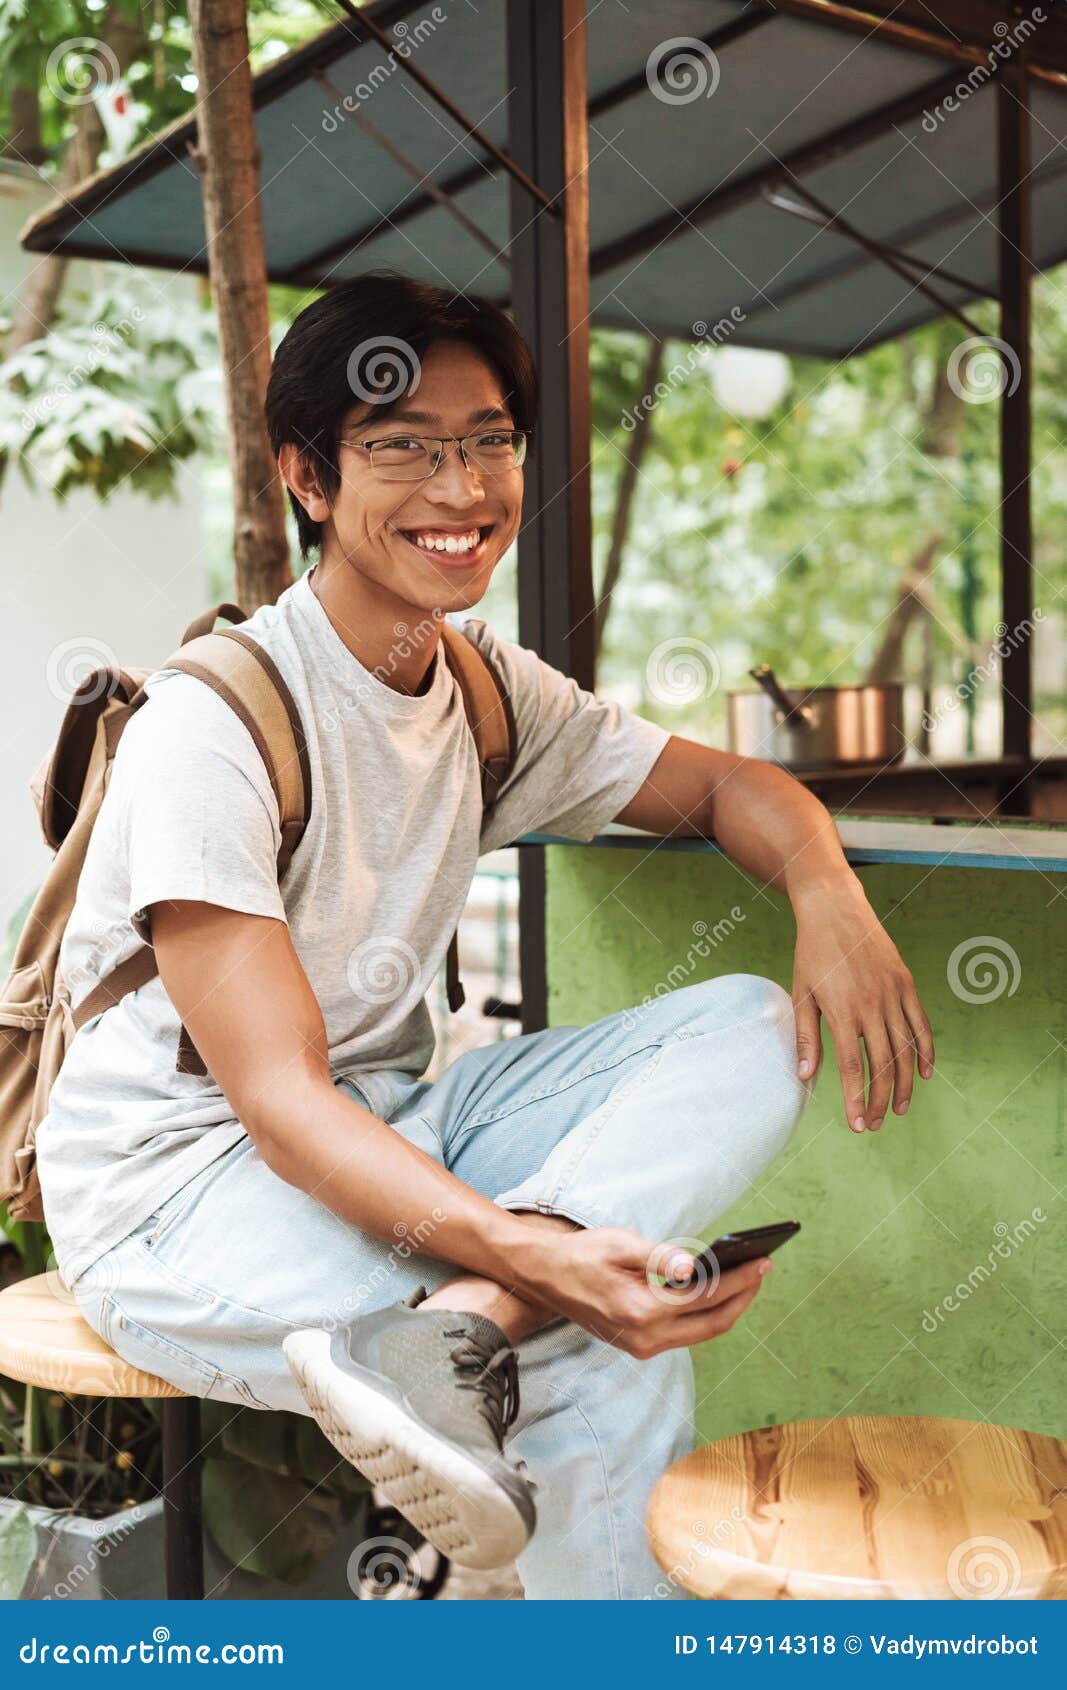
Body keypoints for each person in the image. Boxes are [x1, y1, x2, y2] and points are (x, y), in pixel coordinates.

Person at [36, 272, 934, 1600]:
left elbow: (732, 784)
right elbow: (279, 1103)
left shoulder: (480, 688)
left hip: (406, 1121)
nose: (460, 487)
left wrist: (829, 894)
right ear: (310, 478)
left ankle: (455, 1337)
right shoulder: (213, 725)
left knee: (746, 1022)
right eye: (404, 446)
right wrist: (542, 1260)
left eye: (488, 441)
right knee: (584, 1337)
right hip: (179, 1193)